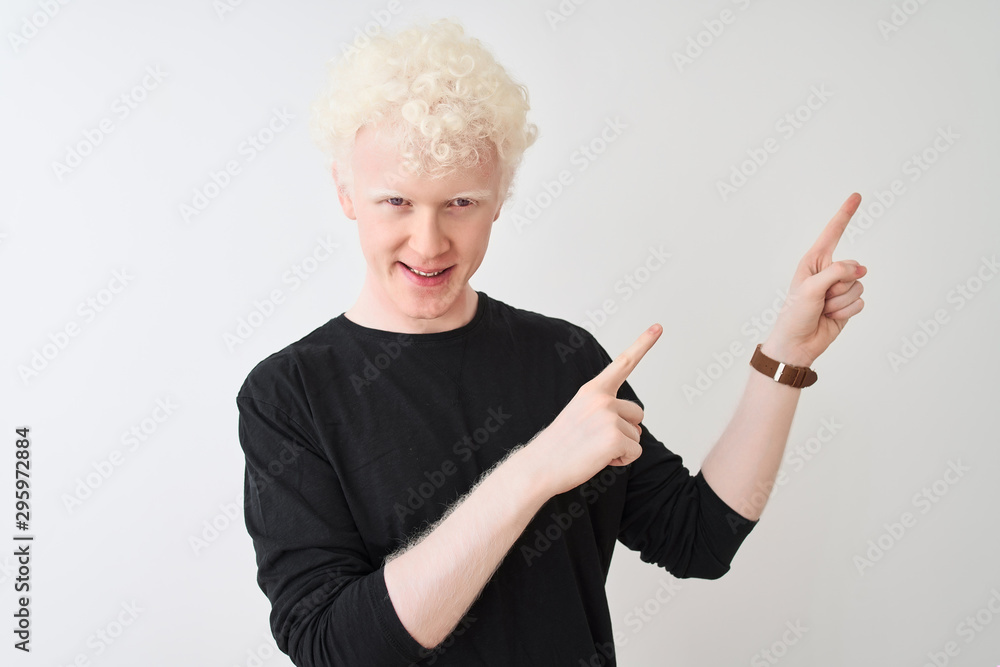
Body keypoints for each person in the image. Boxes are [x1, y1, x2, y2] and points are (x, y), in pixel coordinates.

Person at [236, 17, 867, 667]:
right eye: (396, 200)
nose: (427, 241)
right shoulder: (289, 394)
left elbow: (699, 539)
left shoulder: (565, 358)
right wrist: (535, 470)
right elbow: (337, 647)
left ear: (500, 199)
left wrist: (784, 360)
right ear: (346, 193)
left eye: (460, 202)